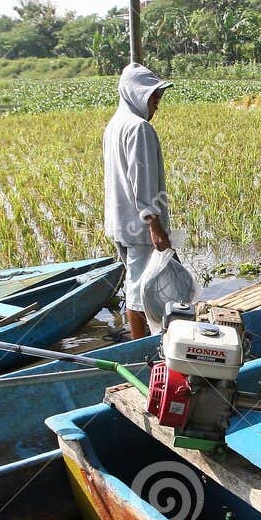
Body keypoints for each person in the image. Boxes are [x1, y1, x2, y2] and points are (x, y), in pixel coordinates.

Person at [103, 61, 173, 337]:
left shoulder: (114, 125)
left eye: (158, 97)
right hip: (140, 226)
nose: (157, 104)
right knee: (138, 289)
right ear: (136, 94)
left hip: (121, 222)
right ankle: (138, 346)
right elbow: (141, 183)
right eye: (153, 97)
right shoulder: (138, 128)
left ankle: (146, 339)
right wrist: (154, 227)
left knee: (138, 282)